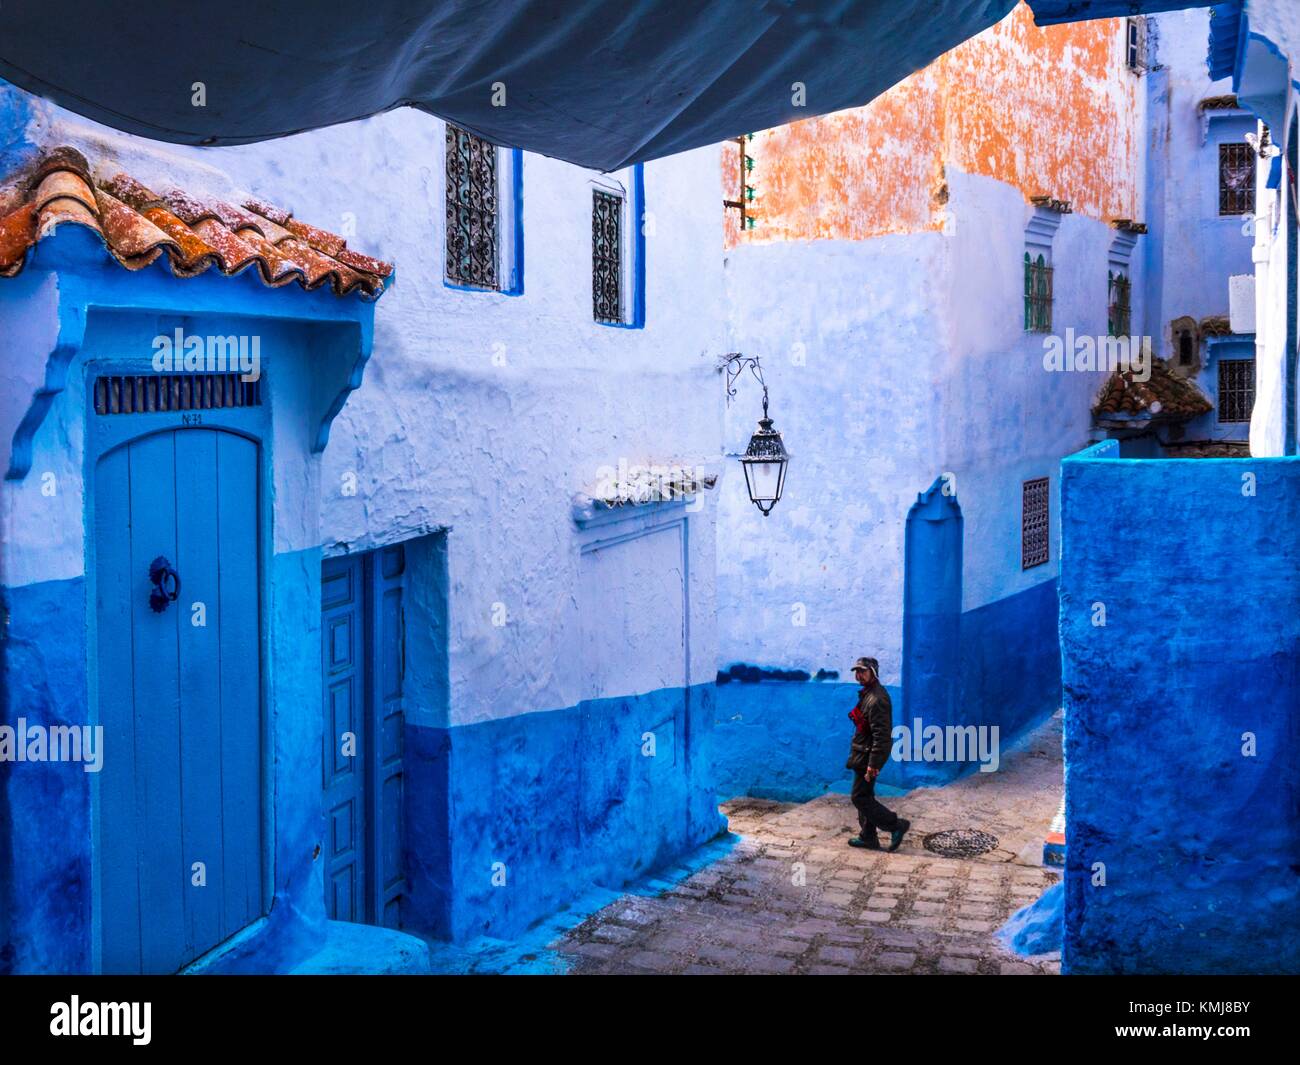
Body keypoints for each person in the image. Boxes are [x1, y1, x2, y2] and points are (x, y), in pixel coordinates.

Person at [846, 657, 910, 852]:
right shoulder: (868, 693)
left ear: (873, 672)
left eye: (863, 671)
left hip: (867, 756)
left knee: (859, 797)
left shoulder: (877, 699)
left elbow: (882, 736)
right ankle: (868, 837)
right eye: (857, 672)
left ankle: (895, 825)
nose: (859, 675)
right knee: (865, 795)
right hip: (862, 753)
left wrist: (873, 765)